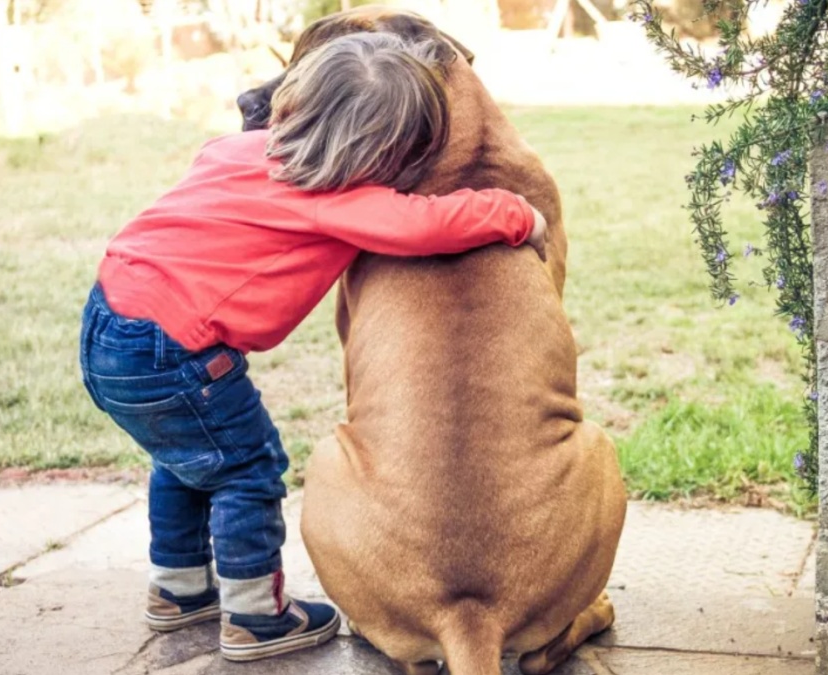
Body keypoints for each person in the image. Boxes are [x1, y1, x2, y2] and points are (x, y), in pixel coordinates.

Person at [78, 32, 547, 663]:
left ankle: (179, 589)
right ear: (389, 154)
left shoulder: (230, 150)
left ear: (295, 100)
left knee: (186, 458)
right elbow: (430, 224)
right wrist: (519, 214)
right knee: (246, 468)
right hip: (175, 351)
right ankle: (257, 615)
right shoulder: (337, 201)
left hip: (107, 324)